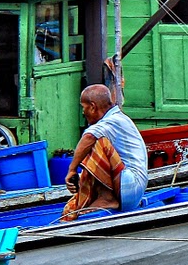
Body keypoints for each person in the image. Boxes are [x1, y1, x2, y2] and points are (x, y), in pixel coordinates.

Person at [62, 84, 148, 218]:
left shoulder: (114, 120)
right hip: (126, 188)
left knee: (97, 142)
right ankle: (100, 197)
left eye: (83, 108)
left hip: (130, 188)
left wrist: (72, 169)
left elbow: (89, 137)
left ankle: (106, 197)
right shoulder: (114, 120)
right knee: (71, 210)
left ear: (92, 106)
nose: (83, 112)